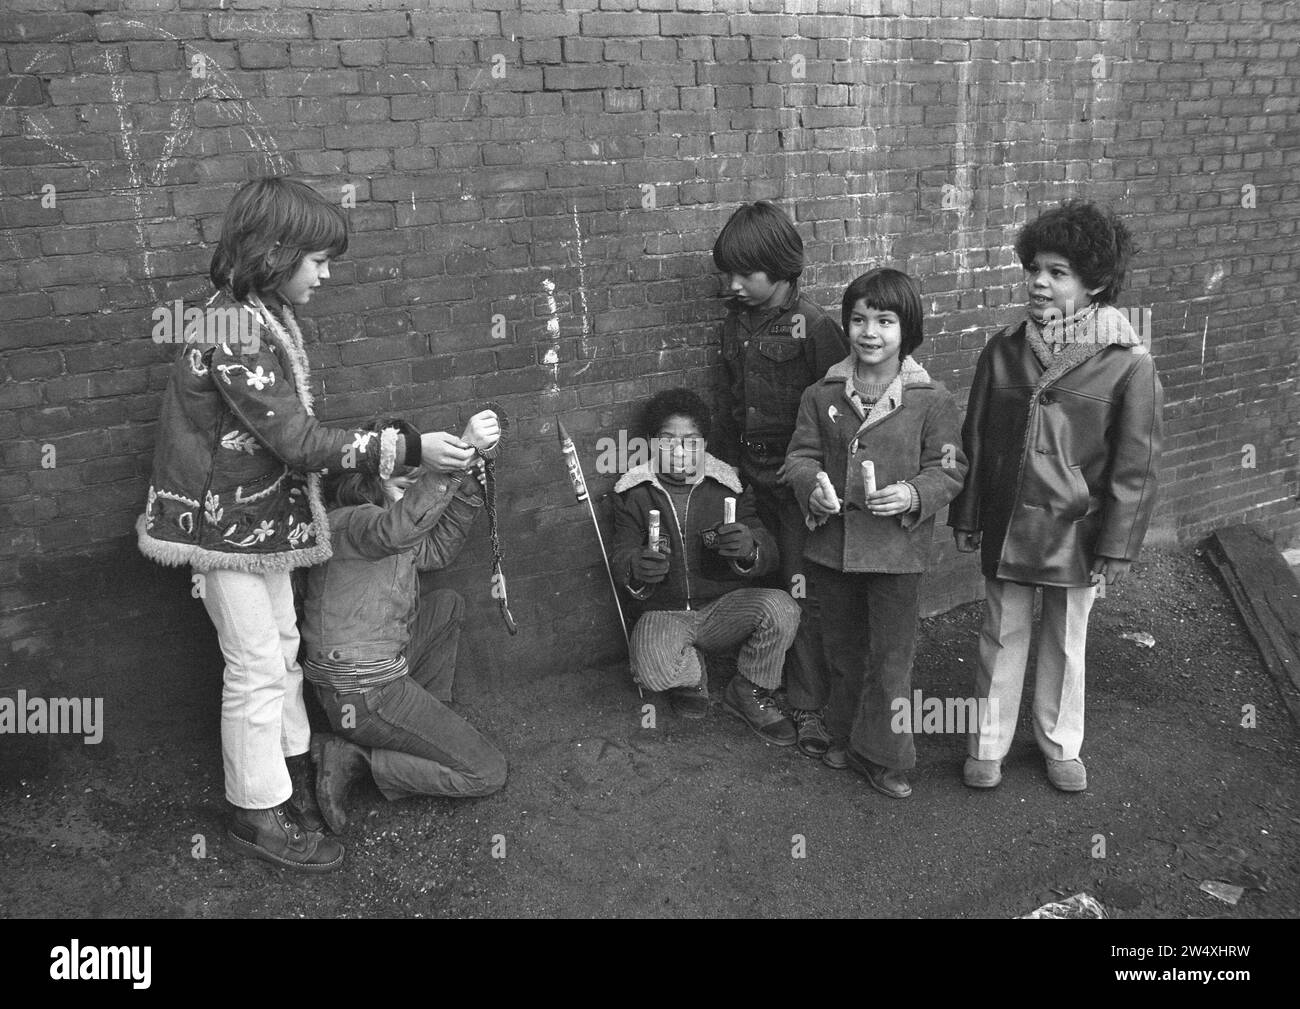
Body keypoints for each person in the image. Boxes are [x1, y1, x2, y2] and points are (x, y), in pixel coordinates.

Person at [137, 177, 477, 872]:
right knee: (255, 663)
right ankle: (255, 811)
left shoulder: (256, 314)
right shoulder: (231, 325)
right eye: (318, 261)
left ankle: (287, 777)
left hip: (254, 526)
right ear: (275, 252)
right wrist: (408, 449)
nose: (324, 275)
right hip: (222, 531)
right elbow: (294, 439)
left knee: (282, 646)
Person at [949, 200, 1163, 793]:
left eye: (1058, 272)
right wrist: (968, 512)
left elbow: (1136, 465)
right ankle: (987, 743)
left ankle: (1061, 742)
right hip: (1009, 518)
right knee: (1001, 630)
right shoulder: (1003, 349)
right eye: (1034, 268)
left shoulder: (1127, 363)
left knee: (1068, 640)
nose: (1039, 283)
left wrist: (1117, 544)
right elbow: (975, 439)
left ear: (1095, 283)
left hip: (1079, 527)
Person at [785, 268, 967, 798]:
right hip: (833, 549)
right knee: (843, 650)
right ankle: (846, 737)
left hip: (896, 553)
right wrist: (810, 486)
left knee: (891, 657)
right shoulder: (822, 395)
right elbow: (800, 456)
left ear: (906, 330)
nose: (870, 332)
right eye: (859, 319)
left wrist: (913, 495)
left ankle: (886, 756)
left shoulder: (931, 399)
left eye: (884, 321)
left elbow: (950, 468)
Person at [301, 420, 507, 833]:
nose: (414, 491)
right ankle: (355, 760)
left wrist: (465, 486)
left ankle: (423, 731)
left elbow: (433, 550)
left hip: (370, 677)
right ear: (369, 479)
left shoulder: (381, 527)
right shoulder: (353, 522)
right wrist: (454, 461)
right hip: (361, 693)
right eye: (406, 481)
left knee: (445, 605)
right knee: (486, 771)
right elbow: (398, 532)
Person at [712, 201, 849, 758]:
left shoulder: (817, 327)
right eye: (729, 273)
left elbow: (840, 416)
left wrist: (822, 484)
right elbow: (726, 405)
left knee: (804, 590)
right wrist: (723, 474)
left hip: (795, 483)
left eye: (747, 274)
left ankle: (810, 706)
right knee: (756, 578)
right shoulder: (732, 326)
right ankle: (752, 687)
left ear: (782, 268)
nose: (734, 284)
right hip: (746, 478)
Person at [611, 388, 800, 745]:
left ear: (705, 443)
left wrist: (750, 549)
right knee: (649, 670)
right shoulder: (633, 492)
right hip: (664, 612)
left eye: (691, 441)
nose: (680, 451)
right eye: (667, 441)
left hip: (722, 609)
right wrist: (635, 568)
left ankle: (748, 690)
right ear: (651, 443)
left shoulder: (728, 483)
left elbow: (767, 546)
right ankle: (693, 672)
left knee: (782, 608)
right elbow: (621, 553)